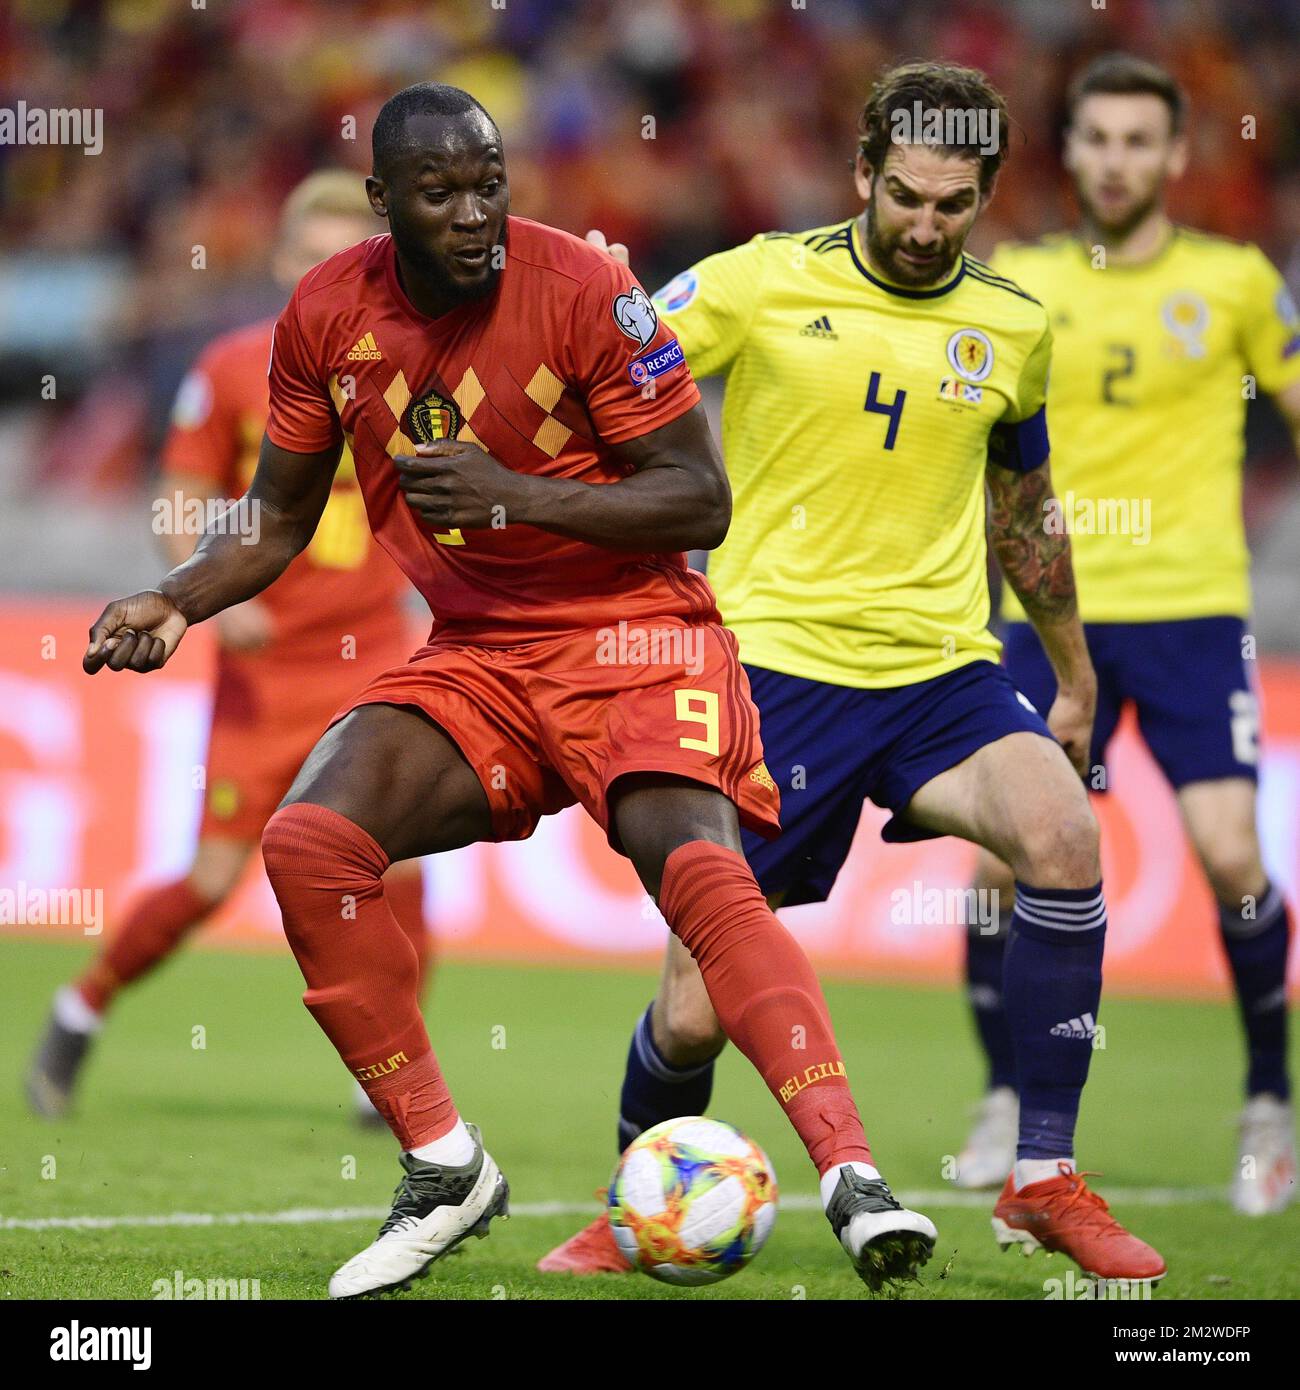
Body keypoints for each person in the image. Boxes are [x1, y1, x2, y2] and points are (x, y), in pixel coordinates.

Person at [80, 83, 940, 1299]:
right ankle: (442, 1163)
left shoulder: (591, 291)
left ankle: (853, 1178)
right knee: (310, 842)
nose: (476, 213)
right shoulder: (324, 314)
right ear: (385, 205)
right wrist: (175, 596)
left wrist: (515, 494)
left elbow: (700, 499)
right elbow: (272, 518)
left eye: (490, 184)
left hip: (635, 633)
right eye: (441, 194)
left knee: (693, 868)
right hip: (480, 648)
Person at [540, 60, 1165, 1288]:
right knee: (694, 1007)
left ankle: (1041, 1175)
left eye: (956, 205)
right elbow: (611, 372)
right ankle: (633, 1201)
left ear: (985, 195)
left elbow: (1024, 504)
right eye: (909, 198)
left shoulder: (1014, 323)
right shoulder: (762, 280)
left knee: (1062, 839)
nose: (929, 226)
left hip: (944, 666)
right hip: (773, 670)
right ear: (863, 175)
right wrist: (580, 295)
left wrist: (1073, 670)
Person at [953, 54, 1299, 1214]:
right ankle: (1004, 1100)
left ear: (1176, 155)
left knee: (1232, 859)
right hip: (1044, 615)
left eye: (1138, 141)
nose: (1115, 160)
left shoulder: (1239, 281)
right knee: (995, 861)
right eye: (1095, 139)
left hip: (1193, 611)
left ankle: (1267, 1103)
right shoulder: (1016, 279)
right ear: (1073, 150)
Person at [27, 171, 430, 1127]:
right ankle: (80, 1008)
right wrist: (199, 588)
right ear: (286, 260)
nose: (332, 271)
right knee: (211, 880)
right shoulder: (234, 367)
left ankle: (392, 1075)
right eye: (314, 253)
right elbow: (178, 495)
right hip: (266, 667)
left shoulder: (406, 369)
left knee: (405, 867)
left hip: (375, 656)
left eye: (351, 256)